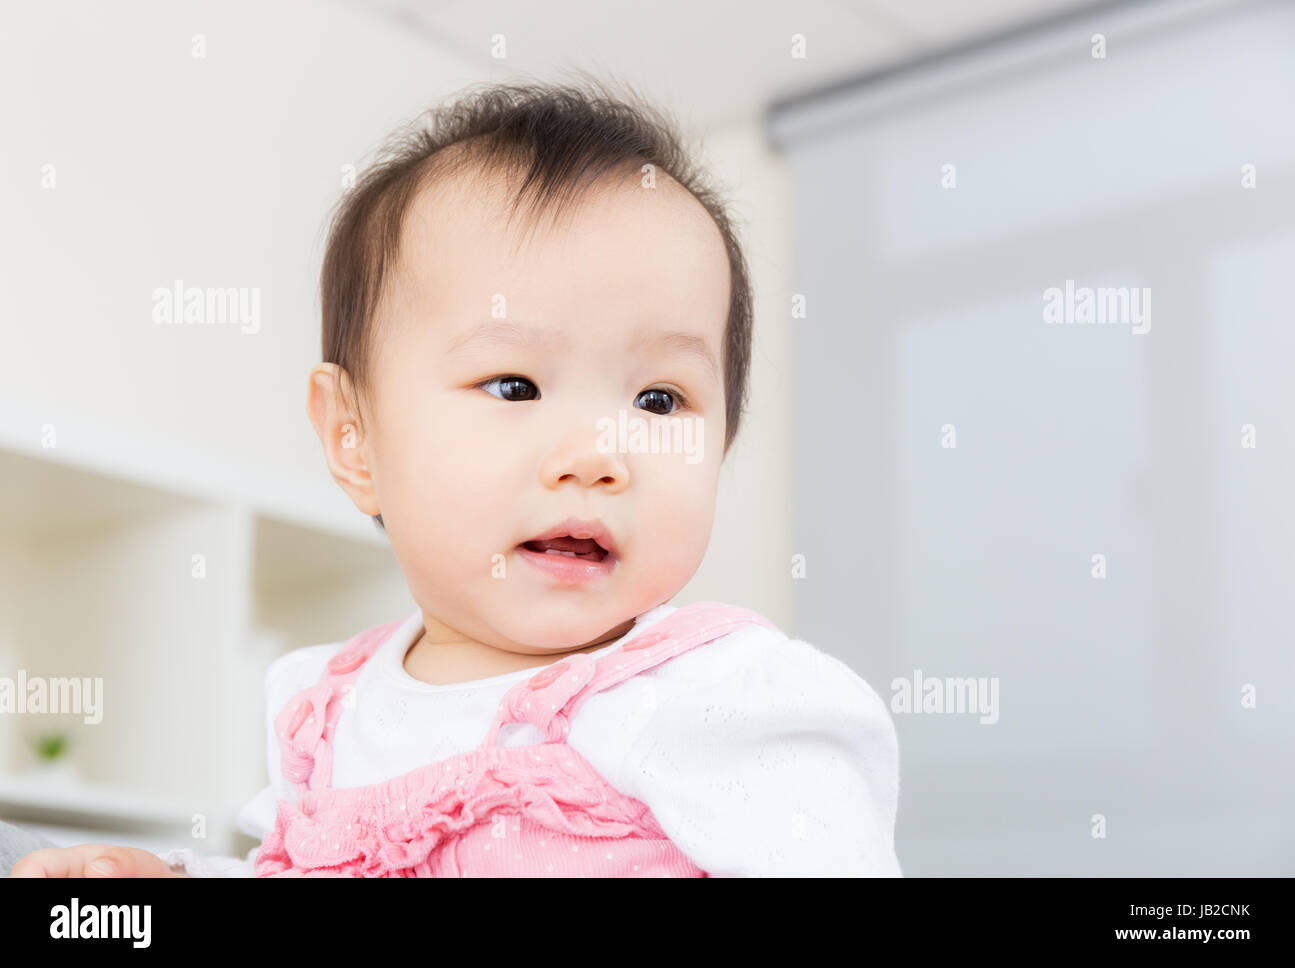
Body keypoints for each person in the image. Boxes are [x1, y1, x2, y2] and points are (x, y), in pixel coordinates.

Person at [9, 77, 901, 878]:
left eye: (659, 401)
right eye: (515, 385)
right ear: (355, 439)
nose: (596, 454)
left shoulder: (723, 701)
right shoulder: (326, 710)